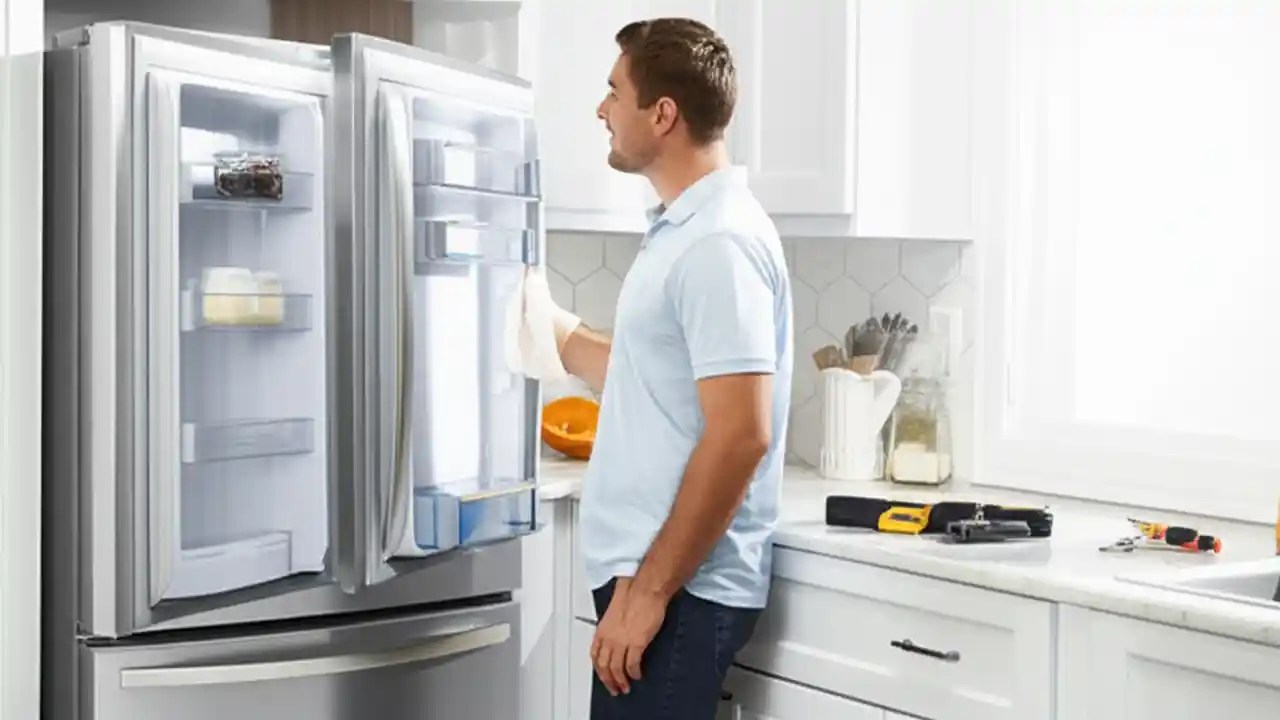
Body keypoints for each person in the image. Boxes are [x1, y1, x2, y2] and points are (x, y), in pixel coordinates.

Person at [522, 16, 793, 720]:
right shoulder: (685, 230)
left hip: (677, 591)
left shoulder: (718, 244)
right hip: (659, 583)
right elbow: (655, 377)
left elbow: (741, 434)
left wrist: (645, 596)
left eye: (615, 92)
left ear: (662, 114)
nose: (601, 110)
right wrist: (550, 329)